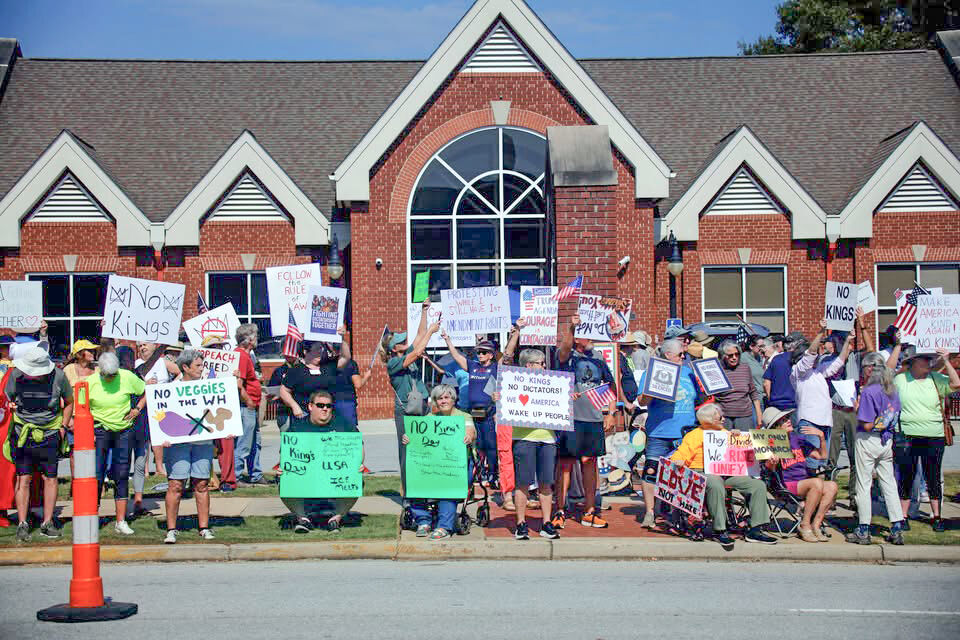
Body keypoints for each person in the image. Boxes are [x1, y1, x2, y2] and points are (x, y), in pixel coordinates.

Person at [671, 403, 777, 547]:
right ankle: (719, 530)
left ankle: (755, 529)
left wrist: (739, 438)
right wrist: (678, 460)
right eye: (720, 417)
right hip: (702, 471)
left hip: (726, 472)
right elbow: (680, 454)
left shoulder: (724, 432)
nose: (723, 419)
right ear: (709, 420)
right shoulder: (694, 435)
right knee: (715, 484)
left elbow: (742, 451)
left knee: (757, 485)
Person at [889, 346, 960, 532]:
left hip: (933, 435)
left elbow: (956, 383)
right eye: (923, 360)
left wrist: (945, 361)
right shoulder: (901, 379)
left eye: (929, 360)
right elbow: (887, 384)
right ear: (912, 363)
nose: (927, 362)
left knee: (933, 476)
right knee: (906, 476)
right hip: (907, 434)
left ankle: (937, 516)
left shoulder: (936, 378)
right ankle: (903, 516)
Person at [634, 338, 703, 528]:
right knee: (651, 471)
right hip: (660, 430)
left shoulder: (689, 373)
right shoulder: (652, 373)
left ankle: (677, 512)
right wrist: (652, 391)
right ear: (668, 355)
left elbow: (700, 398)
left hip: (685, 432)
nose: (683, 357)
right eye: (681, 354)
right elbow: (642, 401)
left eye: (684, 354)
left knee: (682, 473)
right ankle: (650, 511)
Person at [5, 346, 73, 541]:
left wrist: (63, 427)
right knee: (23, 478)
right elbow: (8, 397)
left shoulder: (58, 376)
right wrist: (11, 405)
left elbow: (69, 401)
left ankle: (47, 522)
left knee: (50, 478)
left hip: (50, 433)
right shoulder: (16, 375)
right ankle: (22, 523)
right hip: (22, 433)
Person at [554, 314, 615, 529]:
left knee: (590, 464)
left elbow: (610, 385)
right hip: (570, 418)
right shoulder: (566, 355)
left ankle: (590, 511)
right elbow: (565, 347)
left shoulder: (598, 357)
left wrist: (610, 413)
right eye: (587, 334)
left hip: (594, 418)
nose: (592, 338)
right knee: (566, 464)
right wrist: (571, 328)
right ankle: (559, 510)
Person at [845, 352, 906, 545]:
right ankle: (897, 526)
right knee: (888, 483)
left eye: (864, 368)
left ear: (870, 369)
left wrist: (857, 409)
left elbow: (867, 424)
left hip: (869, 439)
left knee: (863, 484)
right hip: (886, 440)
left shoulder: (870, 391)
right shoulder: (892, 390)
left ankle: (863, 529)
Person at [282, 390, 364, 533]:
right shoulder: (297, 428)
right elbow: (285, 455)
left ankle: (336, 519)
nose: (325, 409)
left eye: (328, 405)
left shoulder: (344, 426)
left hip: (334, 477)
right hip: (307, 477)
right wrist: (282, 468)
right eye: (320, 405)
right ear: (310, 407)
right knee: (284, 480)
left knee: (357, 480)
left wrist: (359, 464)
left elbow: (359, 448)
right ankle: (303, 519)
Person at [401, 384, 475, 540]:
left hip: (457, 467)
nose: (443, 401)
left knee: (447, 485)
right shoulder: (430, 419)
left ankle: (444, 526)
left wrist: (468, 436)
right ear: (435, 401)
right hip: (433, 465)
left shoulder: (464, 417)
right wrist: (409, 439)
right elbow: (417, 437)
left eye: (446, 397)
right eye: (439, 398)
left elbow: (470, 430)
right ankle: (423, 521)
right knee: (417, 479)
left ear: (453, 399)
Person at [159, 349, 216, 543]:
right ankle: (171, 529)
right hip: (178, 445)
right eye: (198, 365)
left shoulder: (209, 387)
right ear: (185, 367)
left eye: (202, 365)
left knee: (201, 484)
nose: (202, 369)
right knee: (176, 484)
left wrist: (226, 430)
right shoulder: (170, 389)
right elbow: (162, 418)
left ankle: (204, 527)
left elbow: (220, 412)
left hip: (203, 443)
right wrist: (163, 436)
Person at [87, 351, 145, 535]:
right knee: (96, 473)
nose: (111, 378)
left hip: (124, 430)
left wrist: (137, 409)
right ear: (100, 371)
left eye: (114, 375)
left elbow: (146, 392)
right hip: (100, 430)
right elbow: (81, 406)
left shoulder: (127, 377)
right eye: (108, 375)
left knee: (121, 473)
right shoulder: (90, 382)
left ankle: (121, 520)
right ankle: (91, 518)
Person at [761, 407, 838, 543]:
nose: (788, 421)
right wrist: (773, 462)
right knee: (816, 482)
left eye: (787, 418)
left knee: (831, 486)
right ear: (776, 427)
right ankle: (805, 525)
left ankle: (816, 525)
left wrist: (821, 437)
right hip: (784, 485)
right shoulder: (770, 442)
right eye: (783, 420)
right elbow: (768, 470)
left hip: (804, 483)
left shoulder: (796, 438)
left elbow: (822, 455)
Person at [384, 299, 437, 489]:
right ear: (394, 348)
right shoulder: (393, 363)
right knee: (406, 449)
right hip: (405, 411)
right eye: (402, 342)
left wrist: (424, 311)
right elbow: (418, 350)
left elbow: (420, 336)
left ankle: (424, 485)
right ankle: (408, 490)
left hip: (421, 406)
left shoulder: (406, 355)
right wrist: (431, 332)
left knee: (425, 446)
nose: (406, 342)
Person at [508, 348, 560, 540]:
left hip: (548, 438)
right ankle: (521, 523)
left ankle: (546, 523)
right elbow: (505, 401)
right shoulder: (515, 382)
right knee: (522, 483)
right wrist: (498, 398)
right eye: (541, 363)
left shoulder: (552, 383)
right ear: (529, 365)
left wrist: (567, 399)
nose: (545, 366)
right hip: (524, 438)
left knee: (546, 483)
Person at [825, 308, 875, 506]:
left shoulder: (855, 358)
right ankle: (830, 496)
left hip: (853, 410)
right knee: (832, 456)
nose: (834, 343)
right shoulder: (827, 360)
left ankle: (855, 496)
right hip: (835, 409)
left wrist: (862, 324)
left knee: (856, 455)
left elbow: (871, 350)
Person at [441, 331, 501, 491]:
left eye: (483, 352)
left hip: (489, 413)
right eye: (478, 352)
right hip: (472, 412)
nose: (480, 355)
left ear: (491, 355)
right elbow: (456, 357)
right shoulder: (473, 366)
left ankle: (494, 474)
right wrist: (448, 340)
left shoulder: (496, 368)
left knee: (491, 445)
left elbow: (507, 354)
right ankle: (478, 474)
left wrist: (516, 332)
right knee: (477, 445)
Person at [790, 320, 852, 474]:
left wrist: (848, 341)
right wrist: (820, 331)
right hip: (809, 421)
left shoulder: (818, 372)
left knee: (820, 461)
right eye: (815, 355)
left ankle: (817, 491)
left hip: (825, 421)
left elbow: (839, 362)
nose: (817, 357)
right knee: (810, 461)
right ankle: (808, 492)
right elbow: (809, 355)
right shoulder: (798, 372)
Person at [279, 331, 350, 431]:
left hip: (327, 414)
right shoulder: (296, 371)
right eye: (316, 350)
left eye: (321, 349)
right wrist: (294, 406)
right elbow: (284, 391)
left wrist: (341, 338)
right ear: (305, 352)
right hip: (303, 416)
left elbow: (345, 357)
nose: (320, 352)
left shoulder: (328, 366)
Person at [136, 341, 180, 487]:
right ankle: (146, 469)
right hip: (143, 404)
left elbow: (181, 371)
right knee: (144, 438)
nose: (143, 347)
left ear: (154, 347)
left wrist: (172, 386)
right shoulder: (136, 364)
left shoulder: (162, 362)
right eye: (140, 346)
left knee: (158, 435)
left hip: (161, 404)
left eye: (145, 345)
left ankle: (160, 467)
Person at [234, 324, 265, 485]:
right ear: (249, 339)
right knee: (244, 442)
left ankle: (256, 473)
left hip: (251, 406)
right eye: (255, 335)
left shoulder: (247, 356)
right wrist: (249, 401)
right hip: (246, 407)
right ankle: (236, 475)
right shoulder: (241, 356)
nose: (257, 339)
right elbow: (238, 384)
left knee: (255, 442)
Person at [715, 340, 762, 430]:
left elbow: (753, 392)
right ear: (723, 356)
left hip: (744, 416)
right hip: (724, 417)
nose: (734, 358)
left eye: (737, 354)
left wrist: (759, 417)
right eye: (730, 355)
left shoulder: (745, 368)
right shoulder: (717, 370)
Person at [332, 333, 372, 428]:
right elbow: (358, 384)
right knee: (349, 430)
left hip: (331, 399)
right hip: (347, 400)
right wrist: (366, 377)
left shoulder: (329, 363)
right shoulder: (351, 364)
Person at [763, 331, 804, 412]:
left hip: (776, 405)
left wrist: (770, 400)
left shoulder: (776, 359)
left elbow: (766, 383)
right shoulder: (801, 360)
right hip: (795, 404)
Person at [741, 334, 766, 398]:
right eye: (760, 346)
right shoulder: (743, 358)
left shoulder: (759, 357)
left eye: (763, 346)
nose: (763, 349)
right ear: (751, 346)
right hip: (752, 398)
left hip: (762, 396)